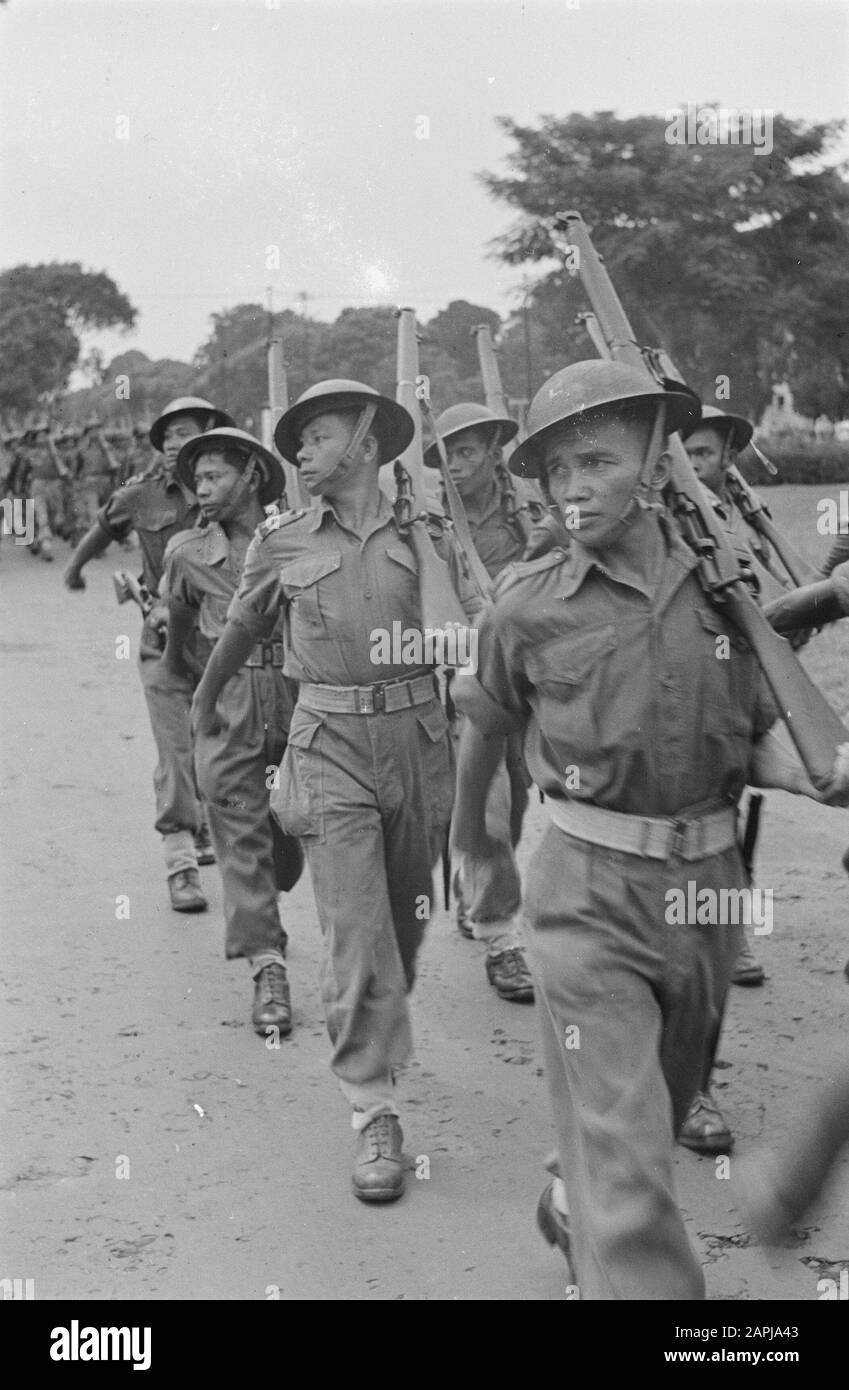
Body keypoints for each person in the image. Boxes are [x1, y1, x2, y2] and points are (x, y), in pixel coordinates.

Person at [449, 359, 849, 1299]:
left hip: (708, 889)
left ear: (655, 455)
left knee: (650, 1116)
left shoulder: (722, 588)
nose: (573, 487)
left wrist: (814, 776)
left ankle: (567, 1200)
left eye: (596, 460)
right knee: (629, 1174)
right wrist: (476, 839)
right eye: (555, 472)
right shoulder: (526, 602)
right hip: (586, 894)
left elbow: (742, 741)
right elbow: (491, 720)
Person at [192, 379, 482, 1204]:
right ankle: (373, 1110)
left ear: (363, 442)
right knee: (354, 929)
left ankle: (381, 1020)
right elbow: (244, 629)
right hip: (327, 746)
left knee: (400, 918)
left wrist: (431, 550)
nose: (300, 455)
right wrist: (205, 709)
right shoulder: (282, 542)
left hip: (419, 739)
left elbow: (467, 633)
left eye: (316, 438)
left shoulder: (427, 532)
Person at [63, 396, 234, 910]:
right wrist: (74, 569)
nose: (176, 443)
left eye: (187, 432)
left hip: (228, 642)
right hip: (163, 640)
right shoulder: (139, 495)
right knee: (174, 751)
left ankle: (206, 823)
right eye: (169, 435)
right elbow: (104, 526)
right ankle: (181, 863)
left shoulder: (237, 494)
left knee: (219, 748)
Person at [163, 427, 298, 1036]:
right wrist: (190, 687)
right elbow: (180, 620)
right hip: (231, 699)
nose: (202, 488)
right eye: (197, 479)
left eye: (215, 476)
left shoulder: (300, 539)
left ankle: (267, 899)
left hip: (300, 697)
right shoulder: (187, 551)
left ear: (250, 474)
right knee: (236, 826)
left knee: (287, 841)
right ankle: (266, 965)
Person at [424, 403, 535, 1001]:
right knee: (489, 811)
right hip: (467, 689)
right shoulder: (429, 527)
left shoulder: (528, 518)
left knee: (515, 807)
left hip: (532, 685)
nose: (456, 467)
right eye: (447, 456)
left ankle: (476, 892)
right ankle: (502, 938)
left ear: (495, 454)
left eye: (468, 452)